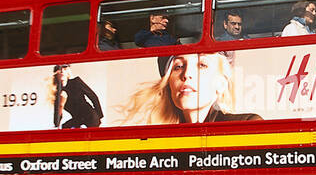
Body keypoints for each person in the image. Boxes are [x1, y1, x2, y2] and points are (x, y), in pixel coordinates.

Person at [119, 52, 262, 125]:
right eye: (178, 66)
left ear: (221, 83)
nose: (187, 75)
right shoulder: (161, 140)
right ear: (169, 83)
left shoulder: (249, 123)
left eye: (202, 65)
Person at [52, 64, 103, 129]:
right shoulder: (57, 92)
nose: (62, 71)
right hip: (78, 119)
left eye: (64, 68)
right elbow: (56, 121)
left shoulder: (76, 82)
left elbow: (93, 96)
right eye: (59, 69)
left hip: (90, 117)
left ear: (68, 72)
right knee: (65, 127)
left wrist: (99, 116)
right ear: (56, 74)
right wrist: (61, 105)